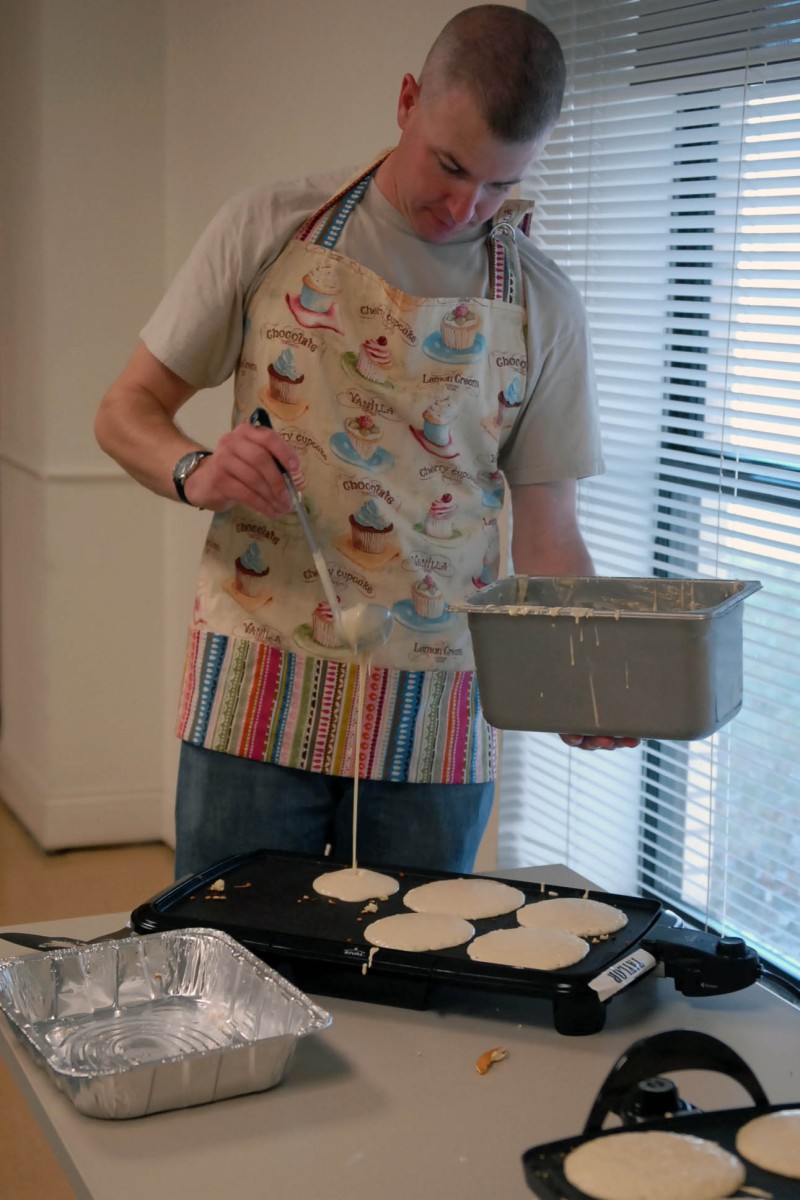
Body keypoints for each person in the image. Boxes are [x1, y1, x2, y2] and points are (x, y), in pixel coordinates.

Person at [95, 5, 636, 881]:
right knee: (231, 954)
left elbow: (548, 532)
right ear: (407, 101)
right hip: (258, 683)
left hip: (437, 706)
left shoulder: (543, 302)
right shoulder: (270, 229)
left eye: (500, 186)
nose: (465, 207)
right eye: (451, 166)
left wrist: (580, 677)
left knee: (410, 984)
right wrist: (194, 468)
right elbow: (125, 411)